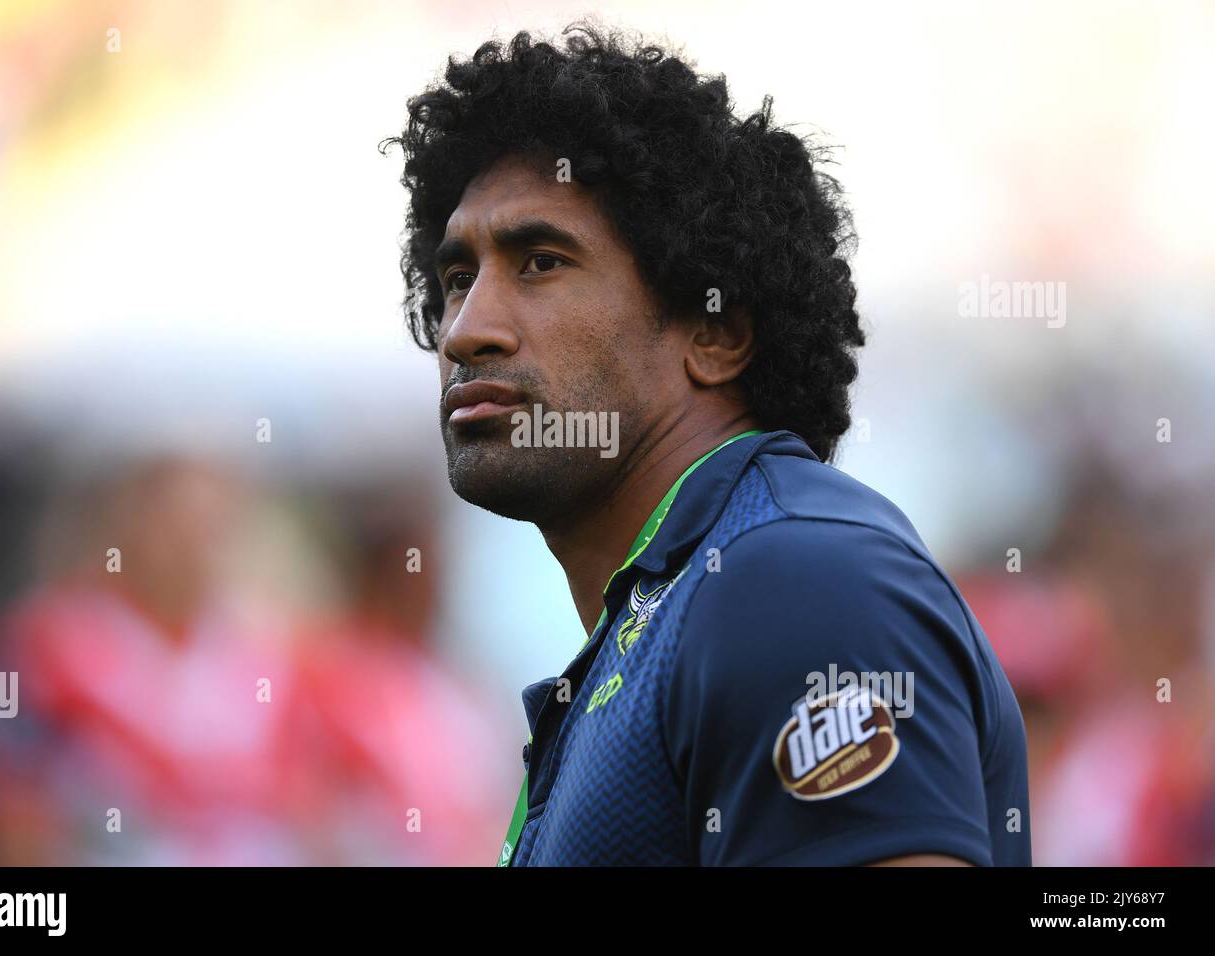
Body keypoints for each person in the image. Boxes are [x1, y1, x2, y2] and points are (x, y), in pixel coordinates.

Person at [382, 22, 1031, 866]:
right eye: (457, 279)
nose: (466, 331)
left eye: (539, 262)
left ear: (715, 333)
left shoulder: (795, 579)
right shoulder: (669, 615)